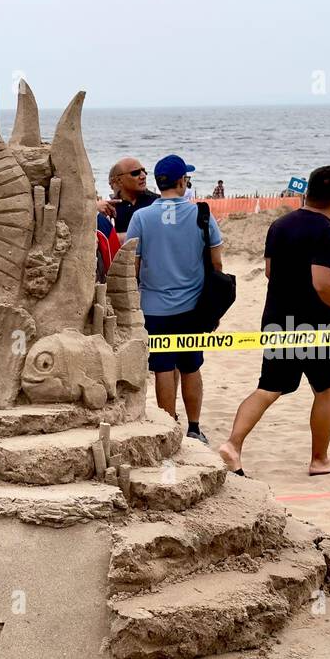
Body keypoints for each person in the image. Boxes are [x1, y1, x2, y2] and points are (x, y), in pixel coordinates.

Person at [218, 165, 330, 479]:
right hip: (315, 323)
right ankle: (320, 459)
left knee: (268, 388)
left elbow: (271, 271)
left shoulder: (280, 224)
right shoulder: (328, 232)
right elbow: (323, 282)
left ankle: (233, 445)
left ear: (306, 192)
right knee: (325, 390)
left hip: (278, 316)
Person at [127, 154, 221, 444]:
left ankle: (169, 428)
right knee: (191, 366)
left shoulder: (141, 217)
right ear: (182, 181)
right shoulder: (201, 214)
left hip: (153, 307)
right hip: (193, 306)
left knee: (163, 368)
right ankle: (194, 427)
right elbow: (217, 265)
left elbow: (132, 266)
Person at [104, 157, 159, 238]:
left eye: (144, 171)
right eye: (135, 173)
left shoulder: (157, 202)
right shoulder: (110, 208)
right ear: (119, 180)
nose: (143, 176)